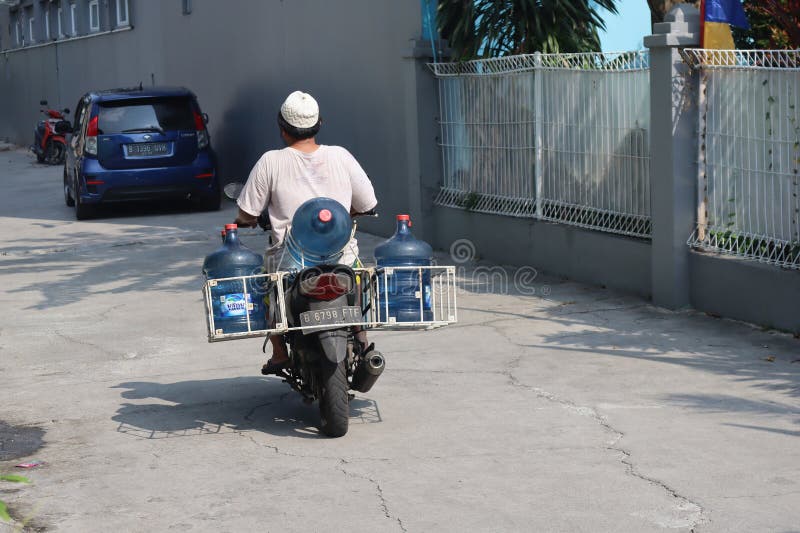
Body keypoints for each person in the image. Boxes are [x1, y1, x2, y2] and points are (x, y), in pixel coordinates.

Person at [234, 90, 378, 374]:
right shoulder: (341, 156)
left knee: (264, 287)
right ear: (319, 124)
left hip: (290, 263)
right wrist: (349, 212)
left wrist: (245, 220)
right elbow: (368, 203)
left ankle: (279, 353)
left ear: (282, 128)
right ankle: (362, 337)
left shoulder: (270, 162)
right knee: (357, 276)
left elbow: (247, 214)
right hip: (341, 258)